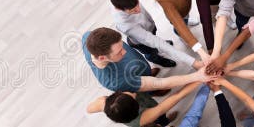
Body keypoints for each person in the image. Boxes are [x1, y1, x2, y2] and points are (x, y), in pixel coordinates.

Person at [82, 28, 214, 95]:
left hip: (137, 68)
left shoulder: (88, 37)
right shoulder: (118, 81)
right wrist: (197, 76)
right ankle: (152, 92)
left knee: (145, 71)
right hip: (136, 81)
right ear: (102, 58)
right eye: (119, 52)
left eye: (122, 46)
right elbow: (160, 82)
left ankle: (146, 72)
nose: (125, 51)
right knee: (151, 86)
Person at [111, 0, 203, 69]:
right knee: (151, 52)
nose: (139, 10)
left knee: (156, 40)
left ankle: (157, 48)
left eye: (138, 4)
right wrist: (192, 62)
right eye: (133, 11)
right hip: (141, 43)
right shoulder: (125, 25)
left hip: (149, 28)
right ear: (119, 9)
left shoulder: (127, 0)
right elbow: (155, 42)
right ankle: (158, 60)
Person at [151, 0, 213, 65]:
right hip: (177, 15)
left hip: (186, 5)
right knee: (180, 27)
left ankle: (187, 20)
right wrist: (200, 50)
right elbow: (177, 21)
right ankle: (181, 35)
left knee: (186, 18)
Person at [86, 91, 173, 127]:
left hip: (142, 103)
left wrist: (103, 105)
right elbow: (161, 109)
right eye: (132, 96)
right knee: (160, 119)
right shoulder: (144, 119)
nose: (132, 93)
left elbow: (88, 109)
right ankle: (165, 122)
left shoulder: (106, 103)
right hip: (151, 113)